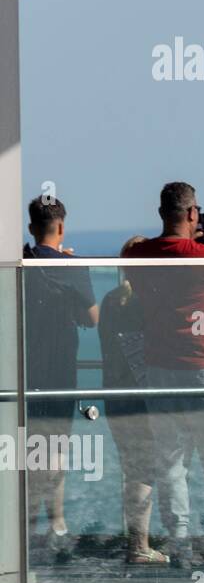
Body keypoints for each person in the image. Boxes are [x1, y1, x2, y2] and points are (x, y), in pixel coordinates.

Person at [124, 182, 204, 569]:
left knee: (169, 462)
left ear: (161, 212)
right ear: (194, 214)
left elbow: (131, 258)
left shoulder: (138, 254)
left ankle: (179, 541)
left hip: (161, 370)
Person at [22, 196, 98, 560]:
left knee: (26, 452)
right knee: (56, 451)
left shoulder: (21, 261)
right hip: (60, 371)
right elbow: (93, 318)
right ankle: (57, 525)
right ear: (62, 227)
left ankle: (28, 528)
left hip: (22, 369)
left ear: (31, 227)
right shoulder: (73, 267)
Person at [98, 236, 167, 564]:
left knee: (133, 469)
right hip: (144, 396)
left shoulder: (112, 300)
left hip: (114, 394)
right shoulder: (149, 301)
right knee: (144, 471)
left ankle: (136, 541)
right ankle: (139, 545)